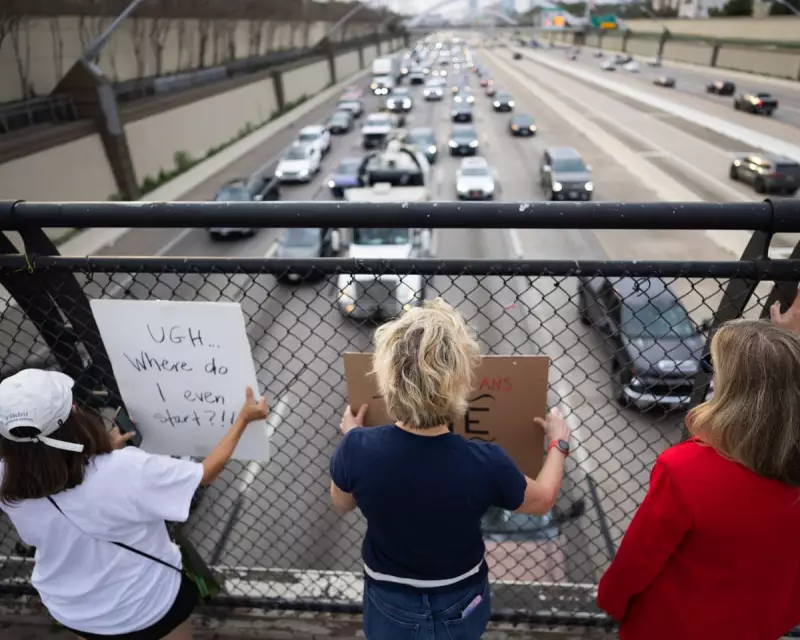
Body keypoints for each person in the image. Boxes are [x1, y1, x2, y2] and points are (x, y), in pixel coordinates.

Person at [329, 299, 571, 640]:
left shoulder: (357, 448)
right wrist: (558, 444)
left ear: (388, 378)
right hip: (460, 595)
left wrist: (354, 437)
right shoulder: (486, 461)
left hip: (389, 595)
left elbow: (341, 503)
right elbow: (543, 499)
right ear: (460, 382)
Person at [0, 369, 267, 640]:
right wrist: (243, 419)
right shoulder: (125, 469)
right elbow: (205, 473)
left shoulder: (6, 478)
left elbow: (53, 472)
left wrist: (103, 453)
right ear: (73, 415)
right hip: (148, 607)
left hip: (74, 610)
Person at [597, 318, 800, 640]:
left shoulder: (685, 469)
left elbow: (639, 559)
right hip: (762, 622)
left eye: (713, 365)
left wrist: (612, 601)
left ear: (732, 387)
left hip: (674, 624)